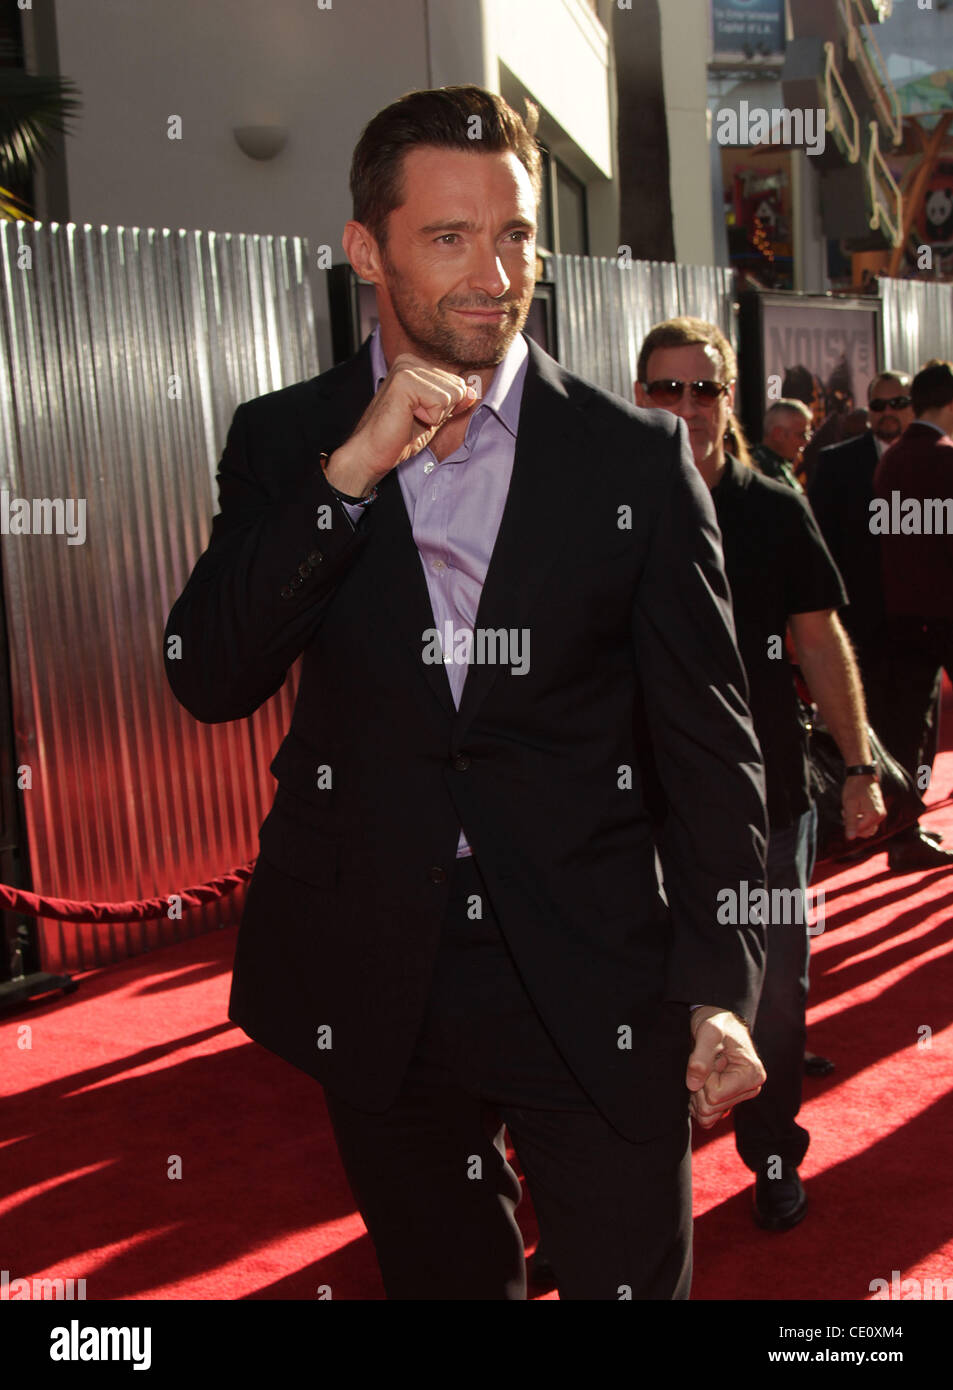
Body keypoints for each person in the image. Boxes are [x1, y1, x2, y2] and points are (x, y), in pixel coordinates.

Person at [164, 86, 770, 1301]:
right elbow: (212, 674)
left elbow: (711, 748)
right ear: (365, 251)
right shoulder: (289, 443)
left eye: (517, 234)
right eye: (449, 237)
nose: (495, 273)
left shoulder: (631, 458)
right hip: (380, 973)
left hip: (594, 966)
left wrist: (720, 983)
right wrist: (350, 476)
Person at [634, 317, 885, 1231]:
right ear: (637, 395)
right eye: (666, 388)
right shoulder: (607, 508)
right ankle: (625, 1194)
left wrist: (858, 767)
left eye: (703, 389)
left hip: (767, 808)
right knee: (636, 1002)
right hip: (634, 817)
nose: (686, 407)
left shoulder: (770, 505)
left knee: (772, 999)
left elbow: (818, 642)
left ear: (726, 398)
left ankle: (771, 1156)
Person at [809, 371, 952, 870]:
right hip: (858, 630)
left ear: (915, 405)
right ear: (866, 409)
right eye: (879, 404)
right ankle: (866, 825)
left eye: (900, 401)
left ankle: (901, 824)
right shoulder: (837, 464)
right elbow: (818, 550)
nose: (889, 410)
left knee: (916, 728)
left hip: (914, 625)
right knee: (860, 732)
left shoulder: (907, 460)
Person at [872, 359, 953, 804]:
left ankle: (903, 828)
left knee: (907, 724)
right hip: (945, 608)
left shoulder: (892, 461)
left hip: (902, 612)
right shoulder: (945, 459)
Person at [752, 399, 812, 493]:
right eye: (801, 435)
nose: (806, 441)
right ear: (778, 434)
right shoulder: (761, 471)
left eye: (808, 434)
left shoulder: (781, 464)